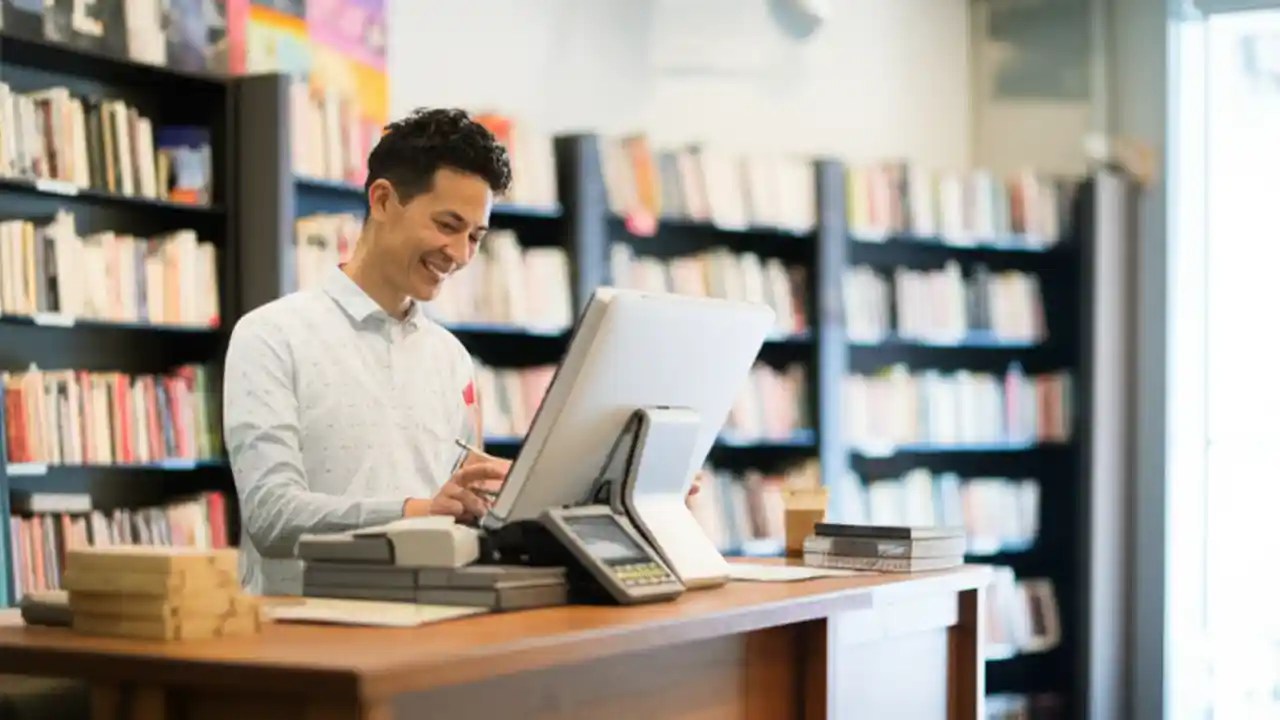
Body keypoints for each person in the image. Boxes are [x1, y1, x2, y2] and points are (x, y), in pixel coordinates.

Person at [223, 108, 695, 595]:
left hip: (433, 621)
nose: (461, 254)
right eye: (448, 225)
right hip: (304, 637)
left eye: (475, 236)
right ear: (383, 200)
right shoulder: (272, 335)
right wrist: (417, 513)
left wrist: (608, 487)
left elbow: (463, 517)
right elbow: (271, 516)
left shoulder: (450, 359)